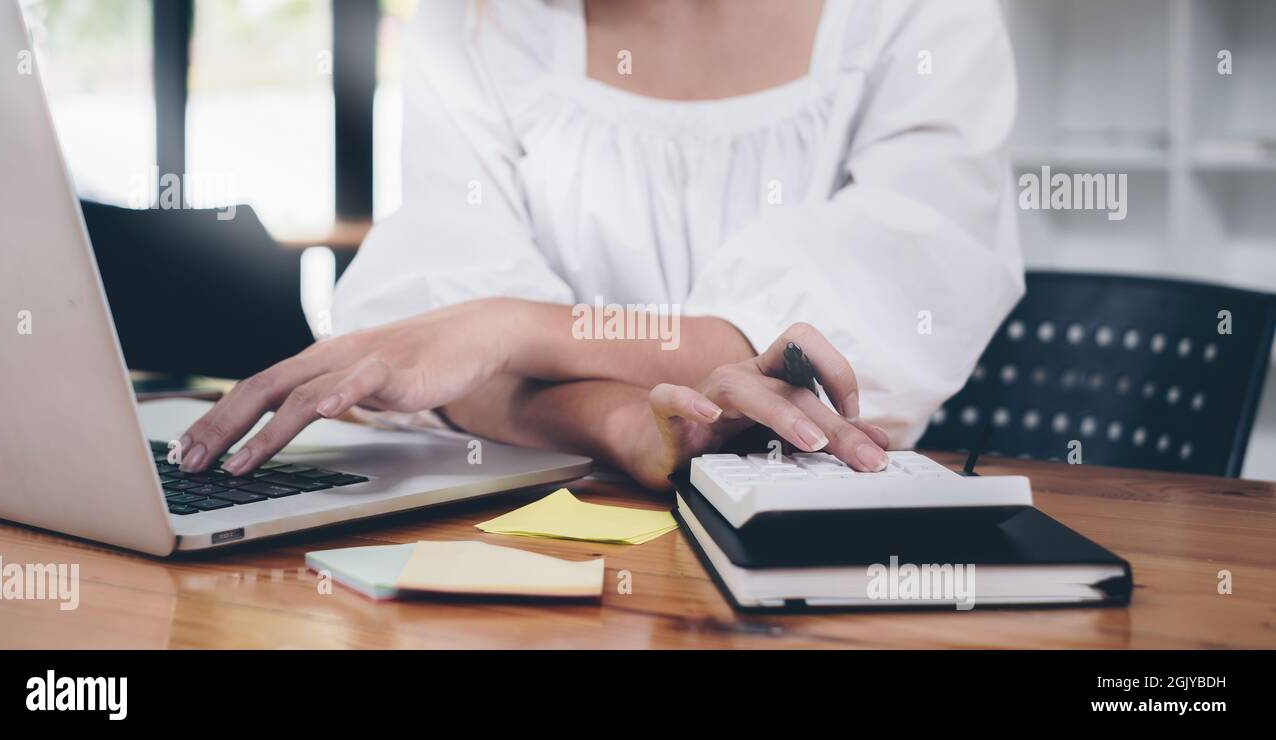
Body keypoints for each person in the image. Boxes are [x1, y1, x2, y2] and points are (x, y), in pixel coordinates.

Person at [176, 0, 1023, 491]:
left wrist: (508, 329)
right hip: (563, 525)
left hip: (831, 540)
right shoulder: (476, 21)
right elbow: (454, 374)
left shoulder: (921, 19)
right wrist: (629, 427)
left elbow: (796, 341)